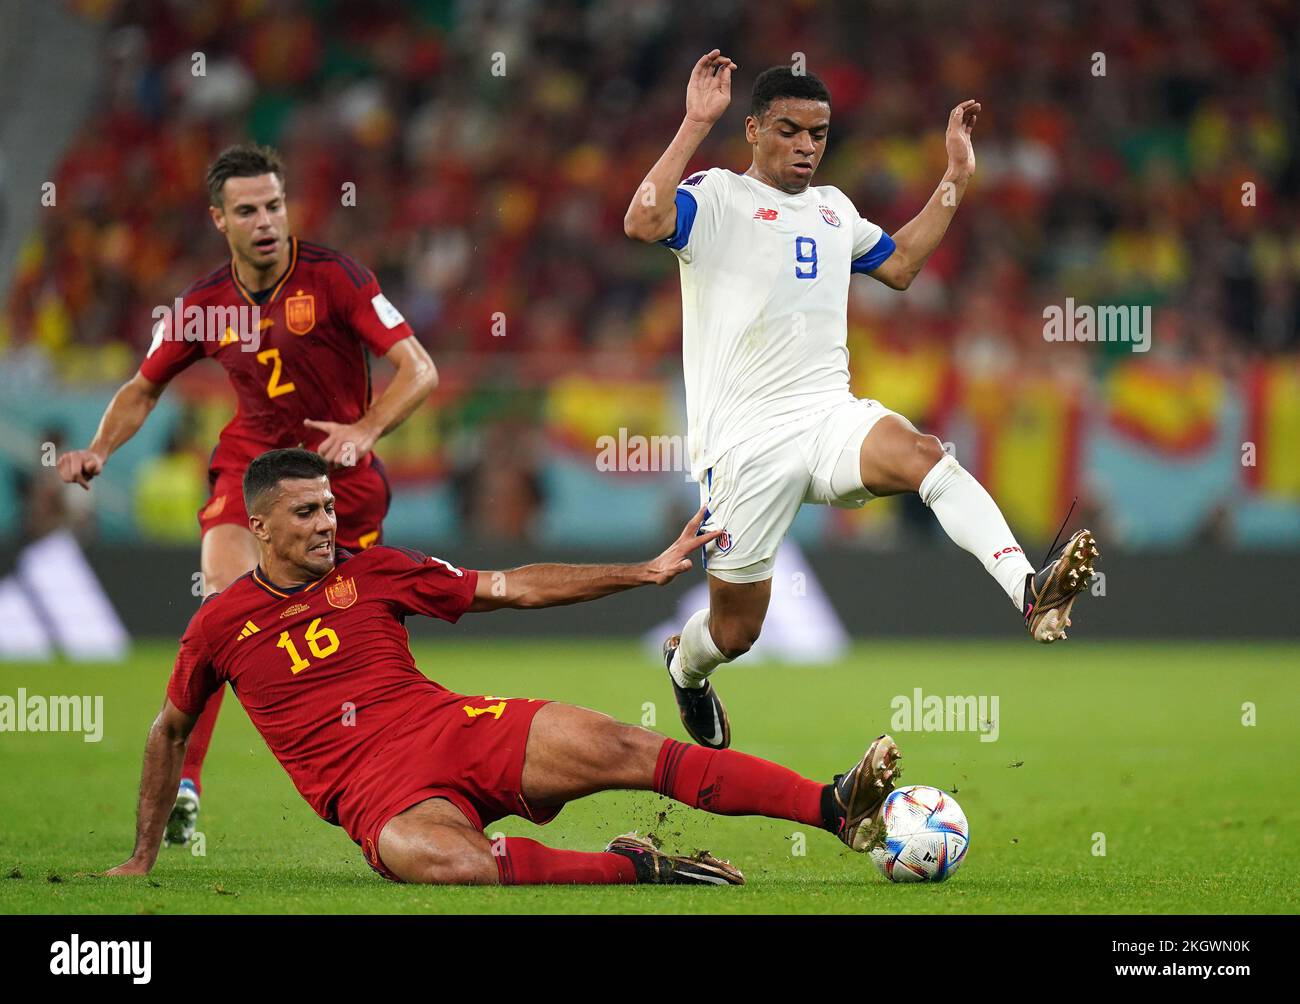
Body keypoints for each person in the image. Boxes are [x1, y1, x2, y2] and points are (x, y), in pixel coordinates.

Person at [106, 449, 901, 885]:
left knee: (625, 747)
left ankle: (832, 807)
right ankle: (636, 868)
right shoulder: (219, 623)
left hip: (454, 728)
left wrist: (647, 570)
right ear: (259, 525)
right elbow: (169, 726)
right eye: (307, 512)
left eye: (330, 507)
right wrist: (142, 854)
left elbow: (513, 587)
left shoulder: (376, 571)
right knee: (450, 866)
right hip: (378, 795)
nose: (327, 523)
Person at [623, 53, 1100, 749]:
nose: (806, 146)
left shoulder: (832, 210)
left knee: (925, 455)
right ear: (752, 130)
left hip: (828, 416)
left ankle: (1029, 591)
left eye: (818, 133)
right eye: (788, 130)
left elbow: (900, 267)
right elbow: (642, 221)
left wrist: (955, 180)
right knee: (736, 630)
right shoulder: (715, 196)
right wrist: (696, 122)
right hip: (745, 443)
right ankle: (685, 668)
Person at [57, 144, 437, 842]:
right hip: (251, 468)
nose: (265, 221)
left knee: (362, 643)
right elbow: (144, 386)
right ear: (219, 220)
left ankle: (402, 779)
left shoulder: (337, 278)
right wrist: (99, 450)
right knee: (227, 604)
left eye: (274, 206)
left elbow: (419, 369)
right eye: (247, 211)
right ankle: (186, 789)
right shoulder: (203, 304)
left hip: (341, 481)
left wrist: (368, 427)